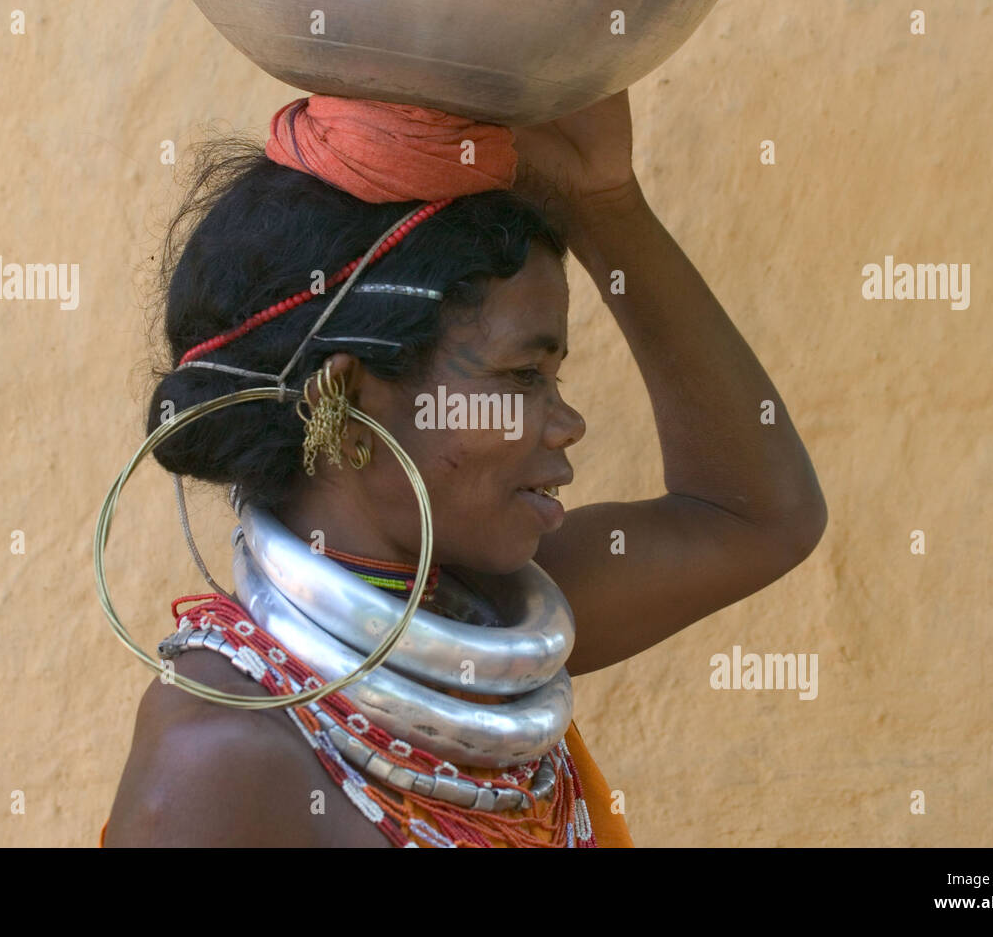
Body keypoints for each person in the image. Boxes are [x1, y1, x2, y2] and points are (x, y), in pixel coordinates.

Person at [101, 89, 827, 847]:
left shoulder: (494, 627)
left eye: (555, 379)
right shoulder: (218, 765)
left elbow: (760, 517)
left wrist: (605, 204)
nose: (568, 424)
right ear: (345, 402)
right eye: (521, 377)